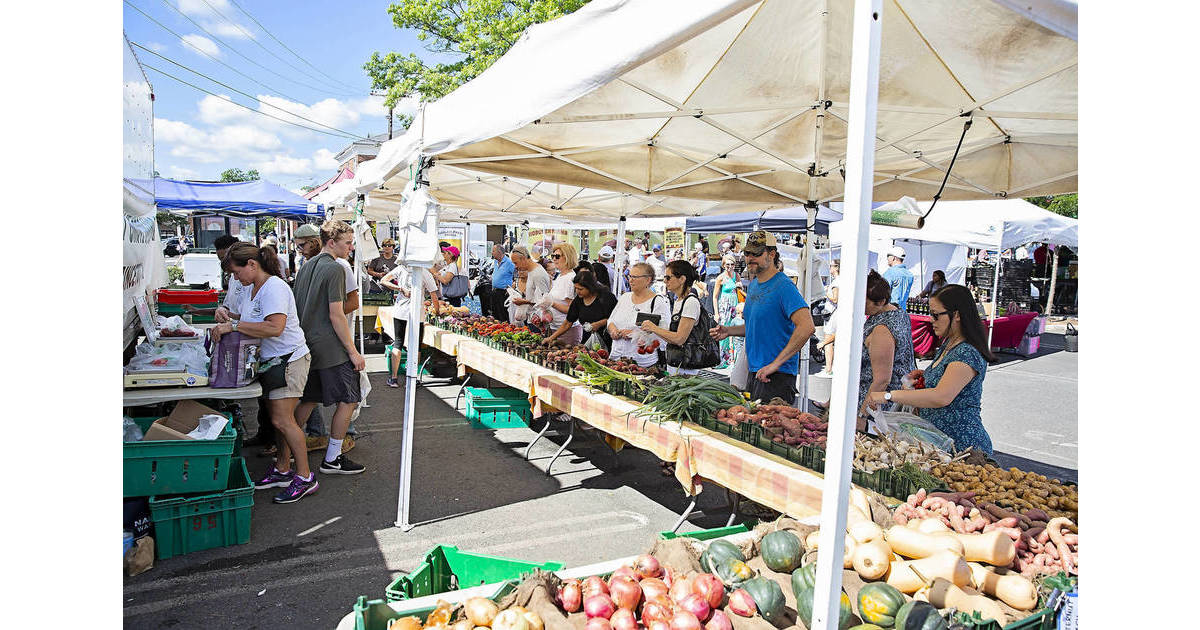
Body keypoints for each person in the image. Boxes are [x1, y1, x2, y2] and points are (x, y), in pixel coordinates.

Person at [213, 244, 316, 503]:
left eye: (236, 272)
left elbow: (274, 327)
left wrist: (233, 325)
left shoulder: (275, 288)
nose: (235, 278)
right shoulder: (252, 288)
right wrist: (229, 316)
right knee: (279, 421)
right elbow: (253, 319)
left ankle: (305, 477)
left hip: (289, 360)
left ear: (251, 264)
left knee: (284, 421)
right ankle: (283, 469)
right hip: (273, 362)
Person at [866, 284, 995, 455]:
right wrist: (924, 378)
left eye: (935, 315)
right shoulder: (949, 344)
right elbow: (946, 380)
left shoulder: (967, 352)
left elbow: (941, 396)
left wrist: (889, 395)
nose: (931, 320)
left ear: (956, 315)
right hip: (937, 441)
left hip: (962, 446)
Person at [290, 220, 367, 478]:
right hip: (329, 346)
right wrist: (353, 351)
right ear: (331, 242)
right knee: (350, 398)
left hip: (306, 343)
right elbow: (336, 315)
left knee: (309, 398)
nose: (351, 247)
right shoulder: (334, 269)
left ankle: (286, 452)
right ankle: (332, 458)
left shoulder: (305, 266)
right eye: (348, 242)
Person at [709, 231, 814, 403]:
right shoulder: (755, 284)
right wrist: (728, 330)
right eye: (747, 253)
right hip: (755, 371)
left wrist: (775, 364)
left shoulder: (784, 286)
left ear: (772, 254)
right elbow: (754, 325)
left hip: (777, 376)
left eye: (756, 254)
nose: (750, 258)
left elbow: (807, 326)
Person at [856, 270, 917, 426]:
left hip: (879, 407)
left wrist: (862, 416)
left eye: (864, 301)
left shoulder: (882, 328)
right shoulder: (898, 313)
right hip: (893, 399)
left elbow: (882, 380)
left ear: (881, 301)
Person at [380, 262, 441, 388]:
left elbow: (383, 280)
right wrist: (437, 312)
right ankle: (412, 377)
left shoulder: (401, 268)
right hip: (417, 312)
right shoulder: (425, 272)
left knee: (398, 342)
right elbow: (434, 295)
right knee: (416, 345)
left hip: (400, 310)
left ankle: (393, 378)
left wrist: (399, 288)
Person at [640, 260, 703, 376]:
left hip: (685, 368)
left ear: (682, 279)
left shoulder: (690, 303)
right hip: (676, 363)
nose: (665, 281)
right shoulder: (678, 300)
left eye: (668, 277)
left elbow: (679, 338)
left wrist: (654, 328)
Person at [607, 262, 671, 369]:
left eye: (635, 277)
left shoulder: (658, 302)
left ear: (648, 280)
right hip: (617, 359)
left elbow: (663, 333)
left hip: (642, 363)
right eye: (630, 276)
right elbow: (611, 320)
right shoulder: (625, 297)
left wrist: (634, 334)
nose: (630, 280)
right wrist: (613, 330)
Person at [542, 269, 616, 347]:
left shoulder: (606, 297)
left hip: (607, 339)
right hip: (587, 340)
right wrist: (551, 338)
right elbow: (568, 322)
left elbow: (615, 318)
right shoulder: (578, 300)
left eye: (580, 289)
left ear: (590, 287)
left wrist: (599, 324)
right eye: (576, 288)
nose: (577, 291)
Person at [534, 242, 578, 336]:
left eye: (557, 256)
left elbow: (571, 309)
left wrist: (551, 303)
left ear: (567, 257)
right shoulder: (561, 276)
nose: (553, 259)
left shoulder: (570, 278)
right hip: (555, 328)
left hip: (566, 331)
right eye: (552, 256)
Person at [711, 254, 743, 369]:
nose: (730, 267)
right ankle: (723, 359)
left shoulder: (736, 275)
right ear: (724, 265)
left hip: (734, 305)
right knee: (723, 331)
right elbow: (714, 296)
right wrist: (716, 313)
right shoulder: (720, 278)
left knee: (735, 331)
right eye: (727, 264)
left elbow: (740, 292)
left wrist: (740, 286)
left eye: (732, 264)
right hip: (724, 306)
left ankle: (734, 359)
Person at [508, 246, 551, 326]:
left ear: (523, 259)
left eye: (515, 263)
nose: (515, 266)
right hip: (532, 319)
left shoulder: (537, 274)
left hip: (539, 322)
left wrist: (523, 302)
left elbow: (544, 302)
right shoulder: (531, 271)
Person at [817, 259, 840, 375]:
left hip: (832, 314)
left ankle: (828, 368)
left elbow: (836, 298)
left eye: (831, 266)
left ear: (836, 267)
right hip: (835, 313)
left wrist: (825, 292)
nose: (830, 268)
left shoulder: (836, 283)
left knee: (828, 340)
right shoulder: (840, 281)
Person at [882, 245, 915, 311]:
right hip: (903, 311)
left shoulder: (890, 272)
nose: (887, 258)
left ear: (893, 258)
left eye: (888, 256)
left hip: (889, 311)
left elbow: (882, 294)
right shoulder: (910, 275)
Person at [488, 244, 515, 322]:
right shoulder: (496, 262)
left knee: (503, 314)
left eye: (493, 251)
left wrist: (513, 285)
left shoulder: (509, 263)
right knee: (495, 314)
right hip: (495, 291)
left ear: (499, 252)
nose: (492, 253)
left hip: (504, 293)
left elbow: (517, 274)